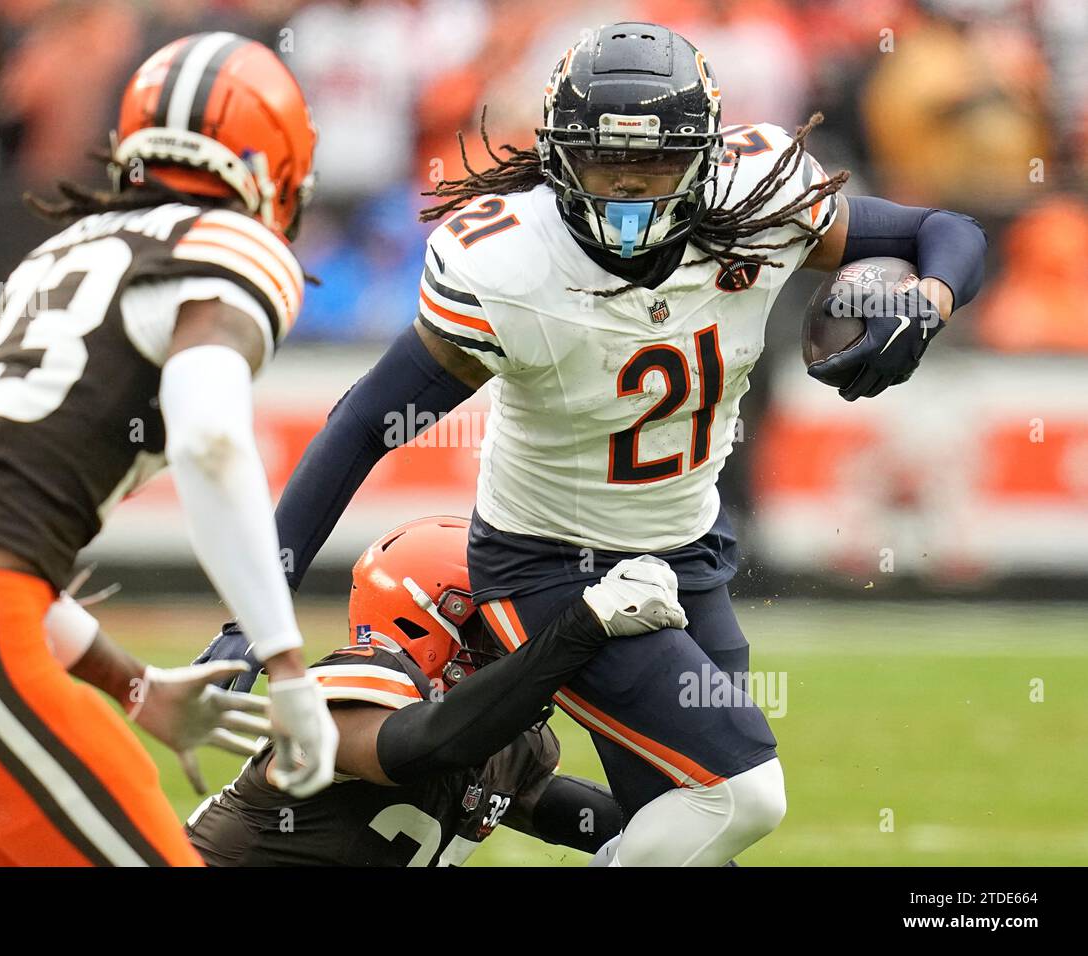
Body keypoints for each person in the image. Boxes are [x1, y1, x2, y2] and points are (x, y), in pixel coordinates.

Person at [260, 22, 988, 865]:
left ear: (706, 159)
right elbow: (363, 424)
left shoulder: (758, 203)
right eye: (605, 161)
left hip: (690, 553)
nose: (630, 186)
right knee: (742, 794)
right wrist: (259, 612)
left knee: (686, 834)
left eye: (656, 163)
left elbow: (949, 230)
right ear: (558, 156)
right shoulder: (508, 263)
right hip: (547, 565)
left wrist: (928, 302)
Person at [0, 32, 338, 867]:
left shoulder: (66, 247)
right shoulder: (231, 244)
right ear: (269, 164)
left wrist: (133, 686)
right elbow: (211, 439)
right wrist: (285, 661)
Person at [188, 515, 685, 866]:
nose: (511, 642)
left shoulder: (506, 744)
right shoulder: (356, 687)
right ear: (422, 618)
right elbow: (424, 747)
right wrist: (581, 629)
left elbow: (567, 811)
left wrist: (696, 823)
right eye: (489, 626)